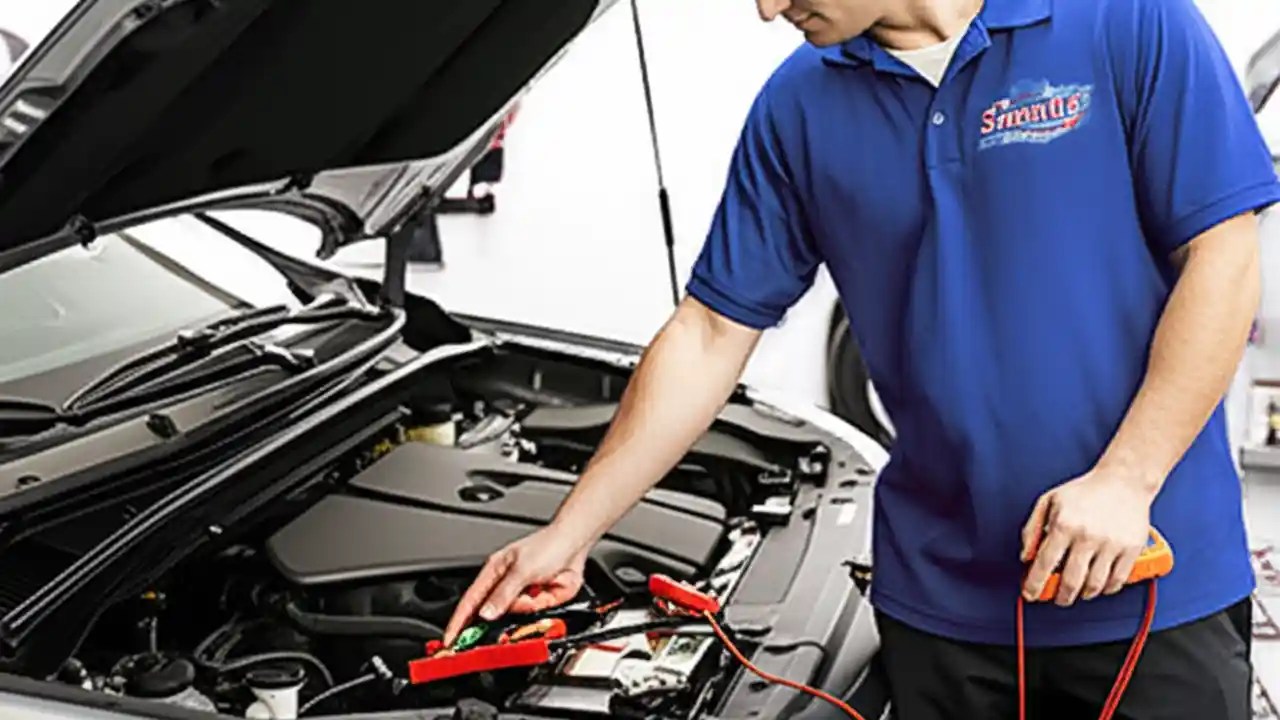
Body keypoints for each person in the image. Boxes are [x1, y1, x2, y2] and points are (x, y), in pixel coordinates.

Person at [444, 0, 1279, 717]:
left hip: (1152, 585)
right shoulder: (797, 106)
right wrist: (571, 533)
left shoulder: (1125, 21)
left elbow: (1223, 256)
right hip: (939, 612)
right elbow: (710, 331)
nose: (766, 8)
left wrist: (1127, 480)